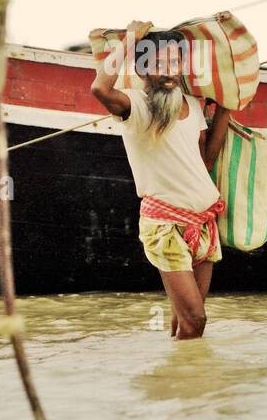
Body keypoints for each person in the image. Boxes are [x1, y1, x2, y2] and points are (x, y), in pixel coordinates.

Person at [91, 22, 233, 339]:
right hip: (166, 225)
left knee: (185, 319)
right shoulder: (135, 106)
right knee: (196, 319)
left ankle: (179, 381)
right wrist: (131, 39)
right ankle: (184, 380)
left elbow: (205, 160)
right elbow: (100, 88)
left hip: (204, 224)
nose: (168, 71)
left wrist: (225, 110)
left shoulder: (193, 106)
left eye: (173, 62)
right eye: (158, 63)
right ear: (142, 69)